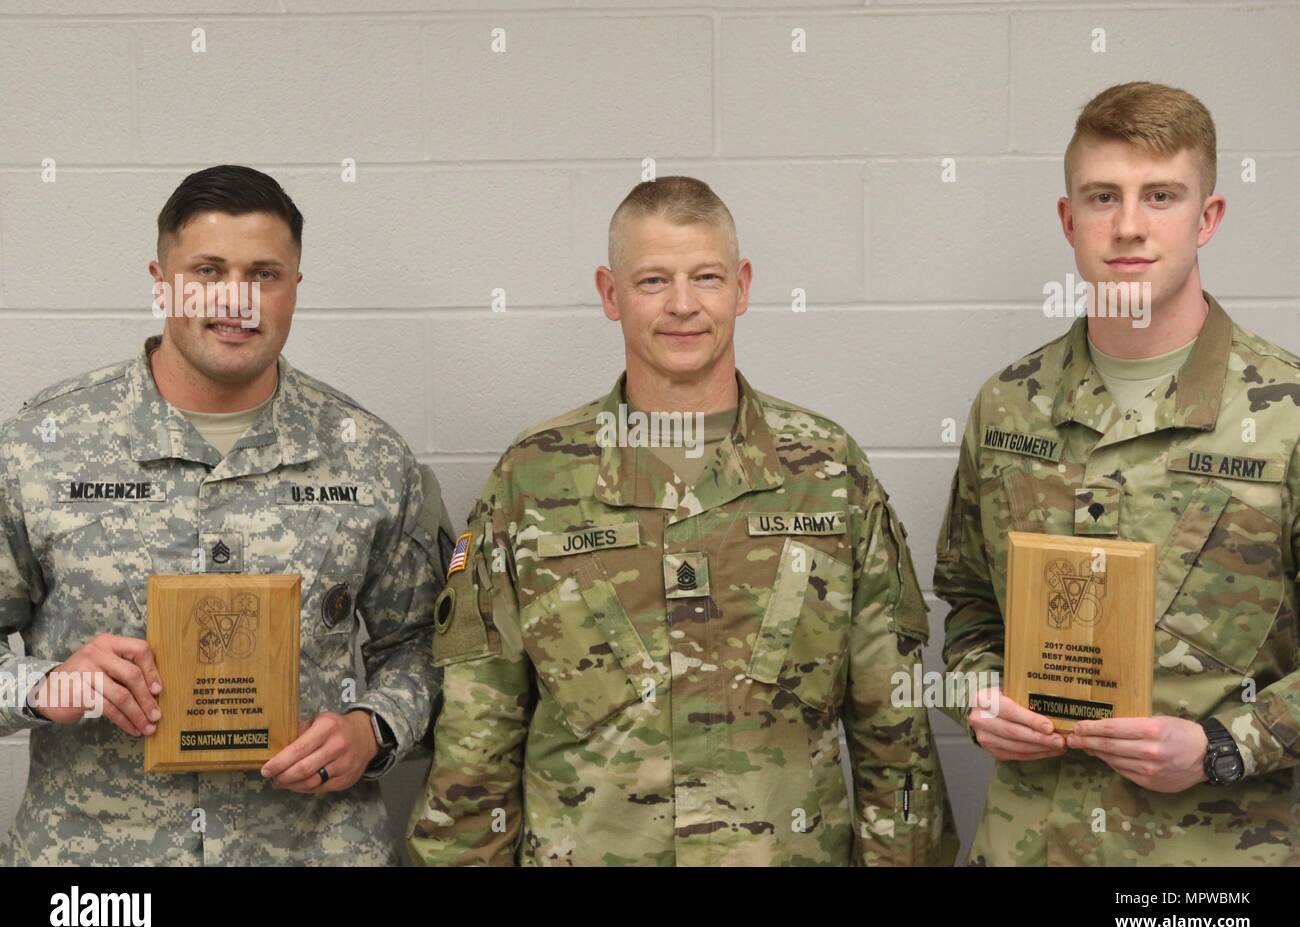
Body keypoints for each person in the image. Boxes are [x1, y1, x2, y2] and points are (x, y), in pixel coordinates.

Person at [406, 175, 958, 866]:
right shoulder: (534, 478)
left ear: (743, 286)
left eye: (707, 276)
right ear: (611, 295)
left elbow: (892, 725)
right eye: (653, 281)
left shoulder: (827, 472)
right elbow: (478, 729)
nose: (684, 305)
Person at [0, 165, 453, 864]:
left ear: (296, 286)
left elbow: (429, 648)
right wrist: (46, 684)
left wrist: (375, 728)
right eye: (207, 270)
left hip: (311, 849)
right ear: (161, 280)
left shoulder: (369, 457)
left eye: (265, 273)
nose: (237, 298)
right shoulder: (40, 447)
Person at [934, 82, 1299, 865]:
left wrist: (1222, 745)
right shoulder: (1008, 407)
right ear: (1069, 220)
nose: (1128, 226)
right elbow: (967, 604)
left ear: (1208, 218)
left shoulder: (1287, 416)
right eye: (1103, 196)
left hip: (1211, 869)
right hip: (1031, 844)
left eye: (1160, 195)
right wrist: (980, 697)